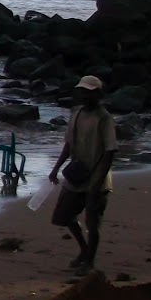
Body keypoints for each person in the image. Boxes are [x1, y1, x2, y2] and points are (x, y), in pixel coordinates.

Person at [48, 75, 118, 273]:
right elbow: (69, 144)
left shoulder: (104, 118)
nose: (85, 96)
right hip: (77, 174)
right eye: (83, 92)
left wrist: (96, 184)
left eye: (90, 92)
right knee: (63, 216)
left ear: (98, 94)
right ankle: (84, 250)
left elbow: (109, 152)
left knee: (93, 222)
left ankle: (89, 261)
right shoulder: (76, 113)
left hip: (98, 179)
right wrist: (55, 168)